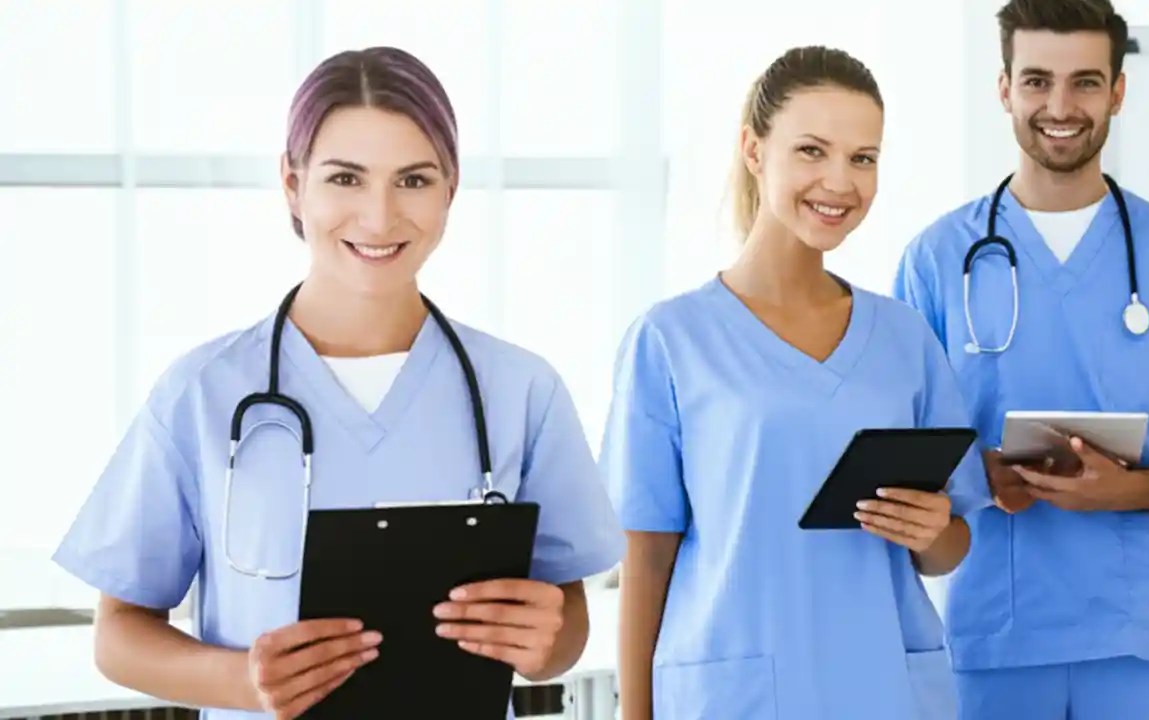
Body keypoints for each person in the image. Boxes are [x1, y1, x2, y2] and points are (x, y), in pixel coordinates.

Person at [52, 46, 624, 719]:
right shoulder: (201, 393)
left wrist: (547, 644)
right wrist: (242, 682)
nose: (379, 217)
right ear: (293, 185)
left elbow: (565, 618)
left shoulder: (521, 391)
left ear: (450, 189)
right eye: (346, 178)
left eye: (413, 180)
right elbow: (118, 634)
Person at [893, 1, 1149, 718]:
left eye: (1085, 82)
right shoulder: (936, 260)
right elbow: (903, 454)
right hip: (993, 639)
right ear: (1004, 89)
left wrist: (1125, 491)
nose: (1060, 107)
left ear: (1117, 92)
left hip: (1141, 643)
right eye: (1037, 81)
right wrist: (980, 474)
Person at [601, 45, 991, 720]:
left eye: (863, 158)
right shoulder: (670, 339)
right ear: (754, 150)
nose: (840, 181)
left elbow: (950, 547)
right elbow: (647, 557)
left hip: (883, 687)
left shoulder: (904, 338)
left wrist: (932, 530)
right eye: (812, 151)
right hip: (735, 695)